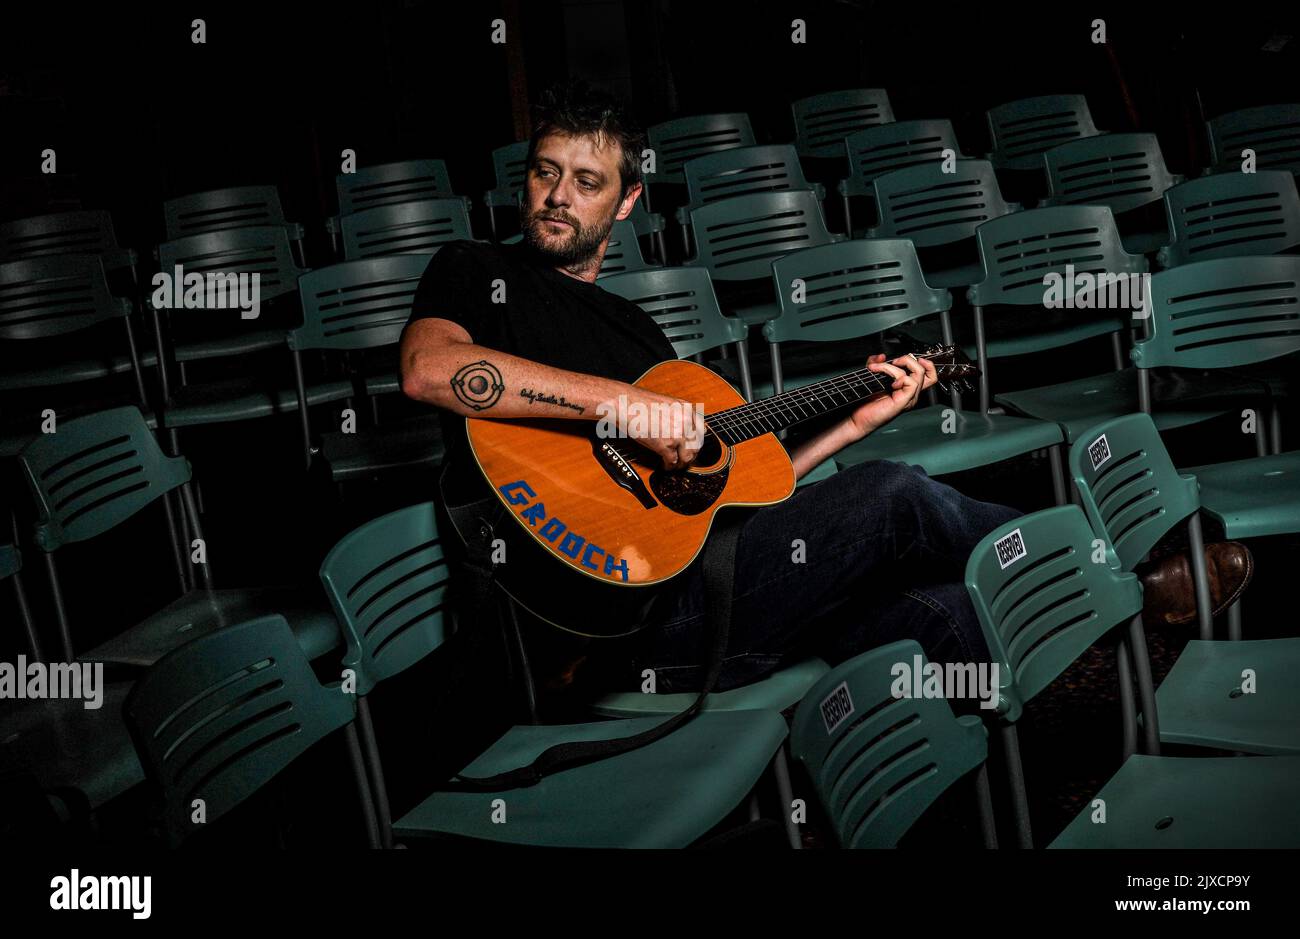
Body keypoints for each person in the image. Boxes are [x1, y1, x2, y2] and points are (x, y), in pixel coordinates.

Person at [399, 81, 1251, 720]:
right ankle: (1122, 565)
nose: (558, 195)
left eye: (587, 181)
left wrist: (852, 419)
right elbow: (432, 373)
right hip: (620, 622)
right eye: (547, 173)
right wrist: (619, 406)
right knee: (896, 493)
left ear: (623, 203)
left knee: (947, 611)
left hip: (718, 583)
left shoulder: (636, 332)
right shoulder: (475, 271)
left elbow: (724, 491)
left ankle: (1059, 760)